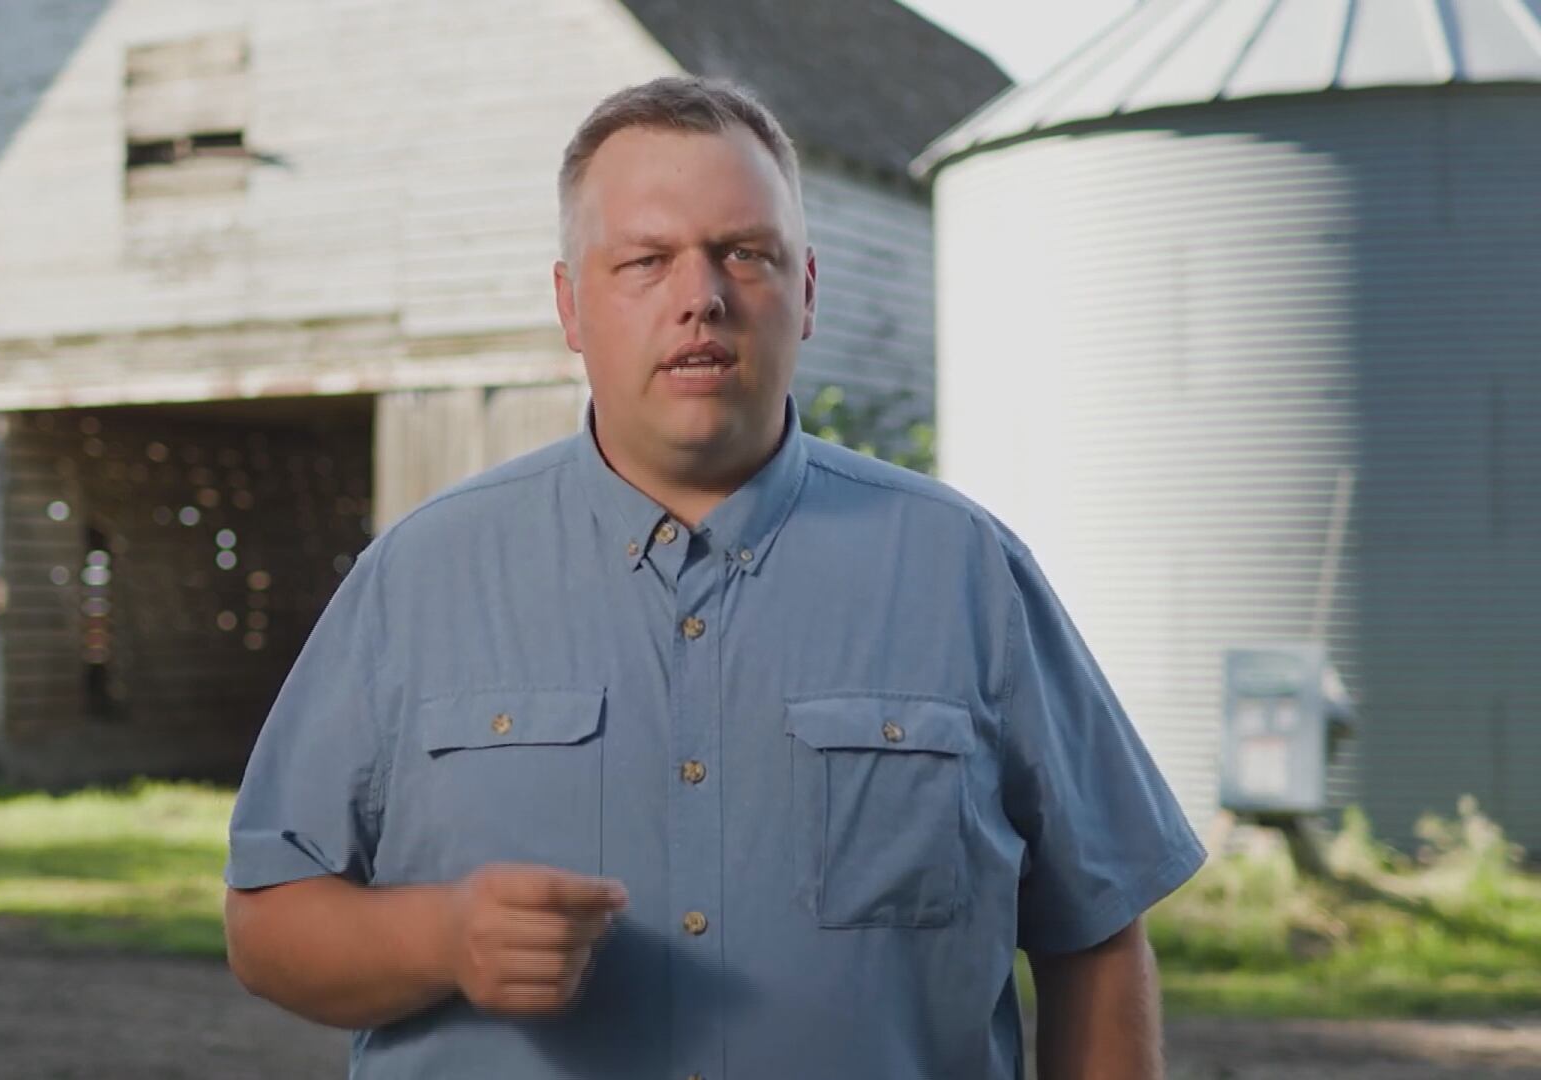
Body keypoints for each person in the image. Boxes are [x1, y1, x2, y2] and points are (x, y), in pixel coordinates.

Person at [222, 75, 1205, 1079]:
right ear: (571, 305)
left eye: (746, 254)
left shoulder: (968, 575)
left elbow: (1097, 936)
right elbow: (266, 923)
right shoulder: (417, 580)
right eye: (645, 261)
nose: (702, 296)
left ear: (808, 291)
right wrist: (439, 939)